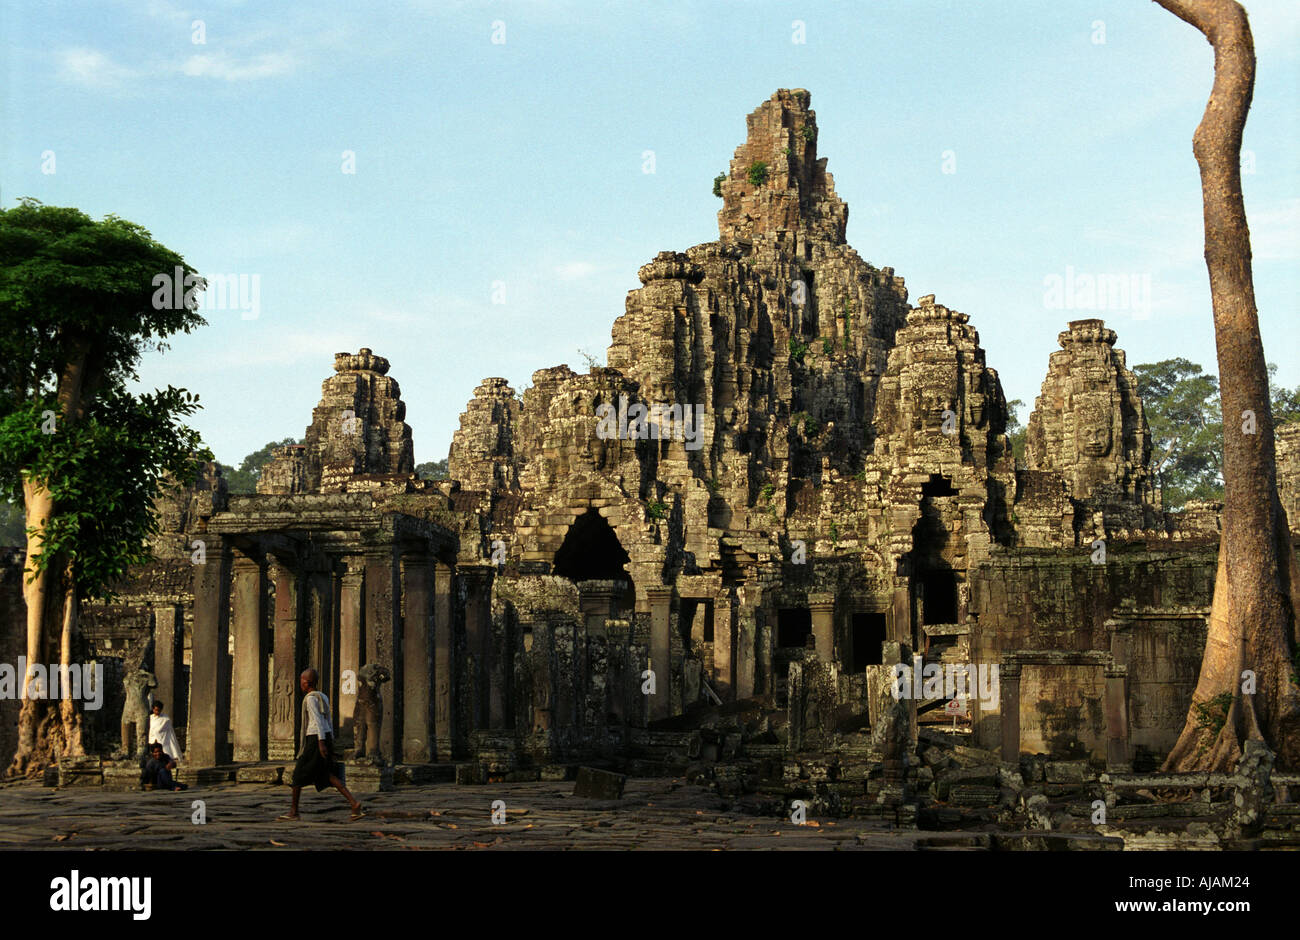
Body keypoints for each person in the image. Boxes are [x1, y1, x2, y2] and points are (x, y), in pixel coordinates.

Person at [279, 668, 364, 820]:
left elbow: (317, 720)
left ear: (307, 682)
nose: (300, 684)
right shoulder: (323, 696)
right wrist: (330, 740)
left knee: (298, 775)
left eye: (301, 681)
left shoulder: (310, 698)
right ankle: (354, 803)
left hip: (315, 739)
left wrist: (321, 743)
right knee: (327, 774)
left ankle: (293, 811)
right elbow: (328, 721)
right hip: (325, 737)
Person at [147, 699, 182, 766]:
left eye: (159, 710)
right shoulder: (150, 718)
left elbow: (166, 732)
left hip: (162, 740)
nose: (157, 712)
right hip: (151, 740)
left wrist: (158, 734)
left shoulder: (165, 719)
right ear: (153, 709)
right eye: (155, 710)